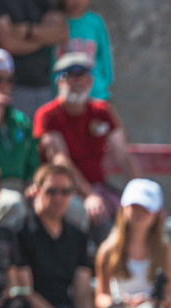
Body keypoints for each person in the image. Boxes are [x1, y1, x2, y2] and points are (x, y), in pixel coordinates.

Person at [33, 52, 138, 232]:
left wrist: (141, 195)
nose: (77, 81)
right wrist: (89, 195)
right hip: (64, 191)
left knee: (139, 217)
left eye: (83, 75)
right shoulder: (48, 115)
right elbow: (61, 161)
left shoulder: (101, 111)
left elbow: (124, 156)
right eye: (69, 76)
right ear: (58, 81)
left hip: (99, 189)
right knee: (98, 219)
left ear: (90, 80)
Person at [18, 163, 94, 308]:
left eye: (65, 191)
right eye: (51, 191)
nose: (58, 198)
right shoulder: (22, 232)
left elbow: (83, 290)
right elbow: (26, 294)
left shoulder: (77, 235)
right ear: (37, 192)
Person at [94, 179, 171, 308]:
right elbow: (100, 297)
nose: (139, 213)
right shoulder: (107, 249)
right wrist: (121, 302)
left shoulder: (167, 249)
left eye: (145, 209)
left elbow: (170, 296)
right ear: (123, 209)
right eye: (135, 207)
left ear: (157, 213)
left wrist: (149, 302)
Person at [0, 0, 67, 117]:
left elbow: (62, 33)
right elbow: (9, 44)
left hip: (46, 85)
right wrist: (45, 38)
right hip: (15, 86)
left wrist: (27, 31)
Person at [0, 48, 39, 232]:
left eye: (9, 80)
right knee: (13, 204)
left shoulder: (21, 121)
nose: (3, 85)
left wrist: (33, 186)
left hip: (20, 187)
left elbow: (32, 165)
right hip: (1, 189)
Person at [56, 0, 113, 101]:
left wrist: (103, 85)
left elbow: (105, 57)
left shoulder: (95, 23)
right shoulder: (57, 23)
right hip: (66, 97)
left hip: (95, 94)